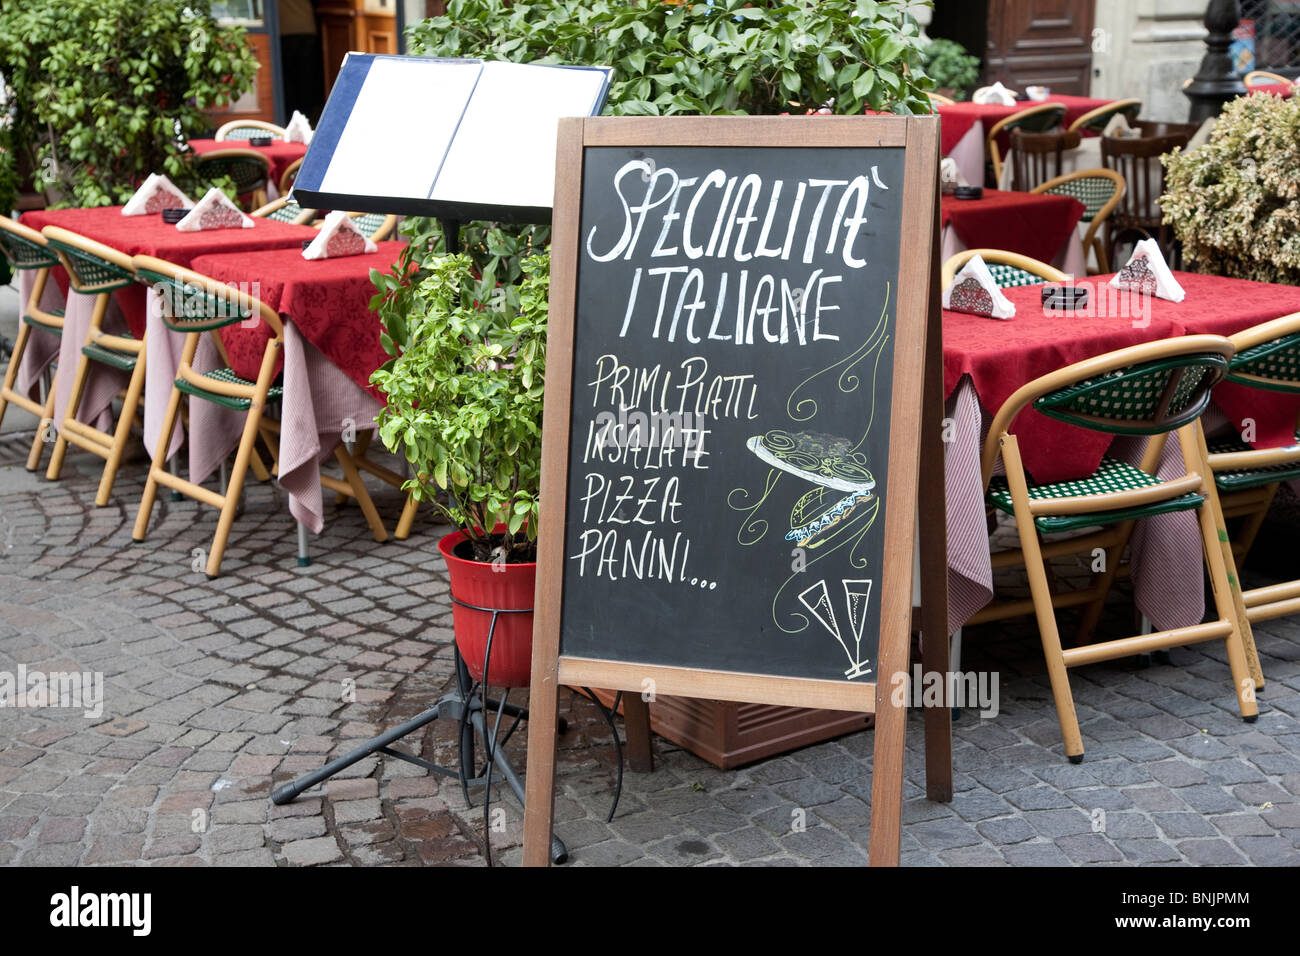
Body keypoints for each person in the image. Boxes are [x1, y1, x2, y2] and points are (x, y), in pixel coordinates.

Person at [279, 0, 325, 124]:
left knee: (288, 78)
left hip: (285, 29)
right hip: (306, 28)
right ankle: (307, 117)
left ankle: (293, 117)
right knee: (306, 77)